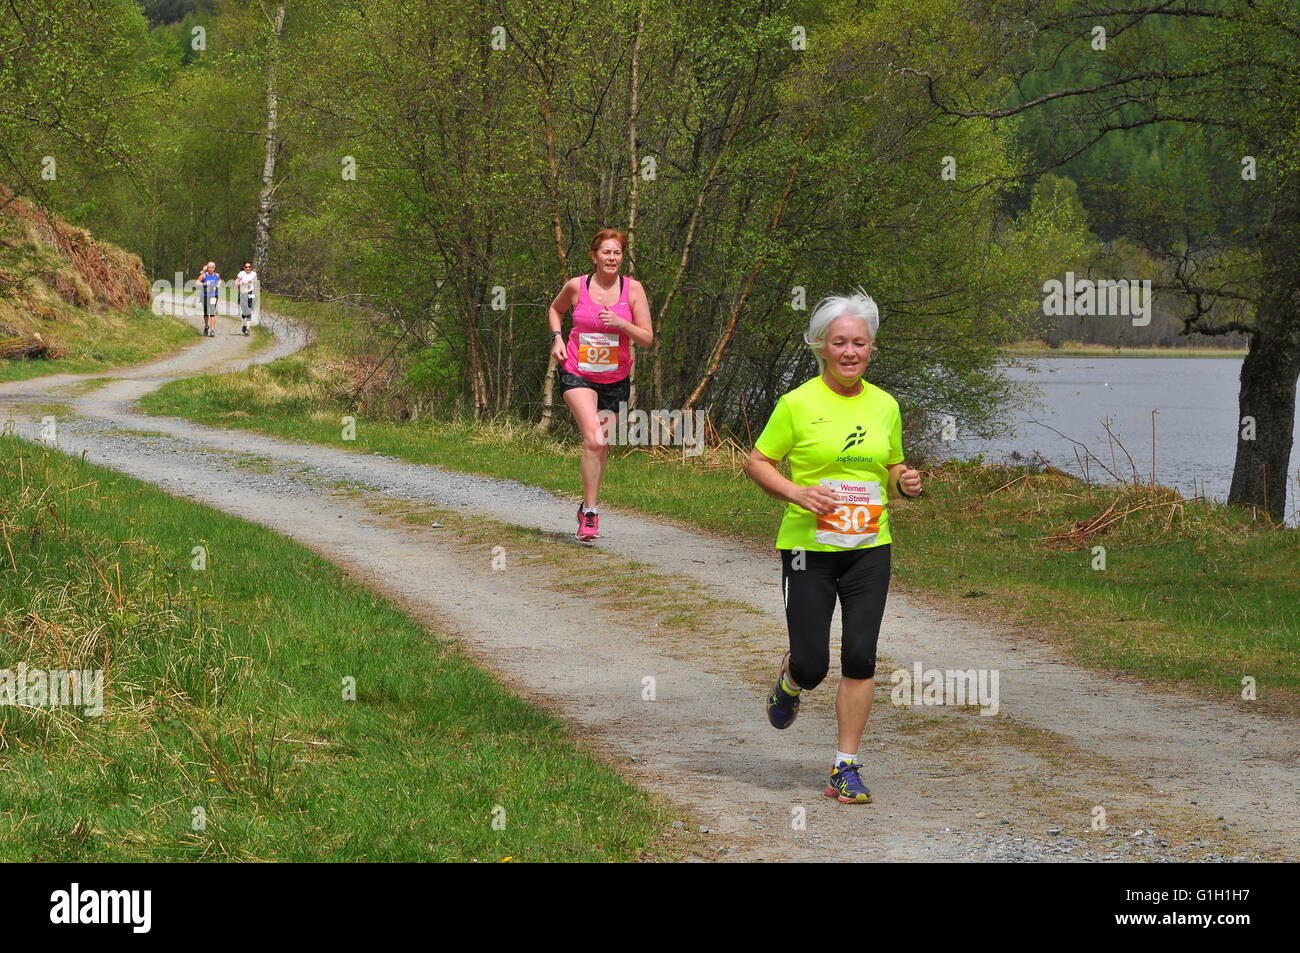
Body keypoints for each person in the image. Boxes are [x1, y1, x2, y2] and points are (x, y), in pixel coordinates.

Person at [745, 290, 923, 804]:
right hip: (808, 550)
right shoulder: (796, 404)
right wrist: (797, 492)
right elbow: (757, 462)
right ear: (822, 346)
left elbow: (890, 467)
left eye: (859, 344)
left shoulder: (885, 405)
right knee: (812, 664)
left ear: (871, 349)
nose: (850, 352)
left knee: (861, 656)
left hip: (870, 546)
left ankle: (845, 765)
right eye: (840, 343)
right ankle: (791, 678)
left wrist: (903, 482)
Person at [546, 229, 653, 541]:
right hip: (577, 371)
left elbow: (647, 338)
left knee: (601, 443)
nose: (612, 258)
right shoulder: (576, 286)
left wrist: (623, 324)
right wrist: (557, 338)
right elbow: (555, 310)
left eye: (617, 253)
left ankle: (585, 507)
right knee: (594, 439)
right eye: (606, 252)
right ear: (594, 256)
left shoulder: (633, 290)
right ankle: (591, 513)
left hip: (615, 379)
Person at [235, 260, 258, 336]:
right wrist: (240, 283)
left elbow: (254, 281)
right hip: (242, 293)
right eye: (246, 267)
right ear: (244, 267)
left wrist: (249, 282)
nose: (248, 268)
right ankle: (244, 325)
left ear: (251, 267)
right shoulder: (241, 273)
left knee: (249, 311)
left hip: (250, 293)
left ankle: (248, 328)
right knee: (244, 312)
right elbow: (237, 281)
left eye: (249, 267)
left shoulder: (254, 274)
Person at [197, 261, 220, 337]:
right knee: (206, 313)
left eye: (212, 268)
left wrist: (218, 284)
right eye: (209, 268)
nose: (210, 269)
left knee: (212, 312)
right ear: (207, 268)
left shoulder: (217, 275)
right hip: (205, 296)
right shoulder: (204, 275)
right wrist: (204, 283)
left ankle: (212, 330)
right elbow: (197, 283)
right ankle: (206, 326)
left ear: (214, 268)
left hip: (214, 295)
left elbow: (219, 280)